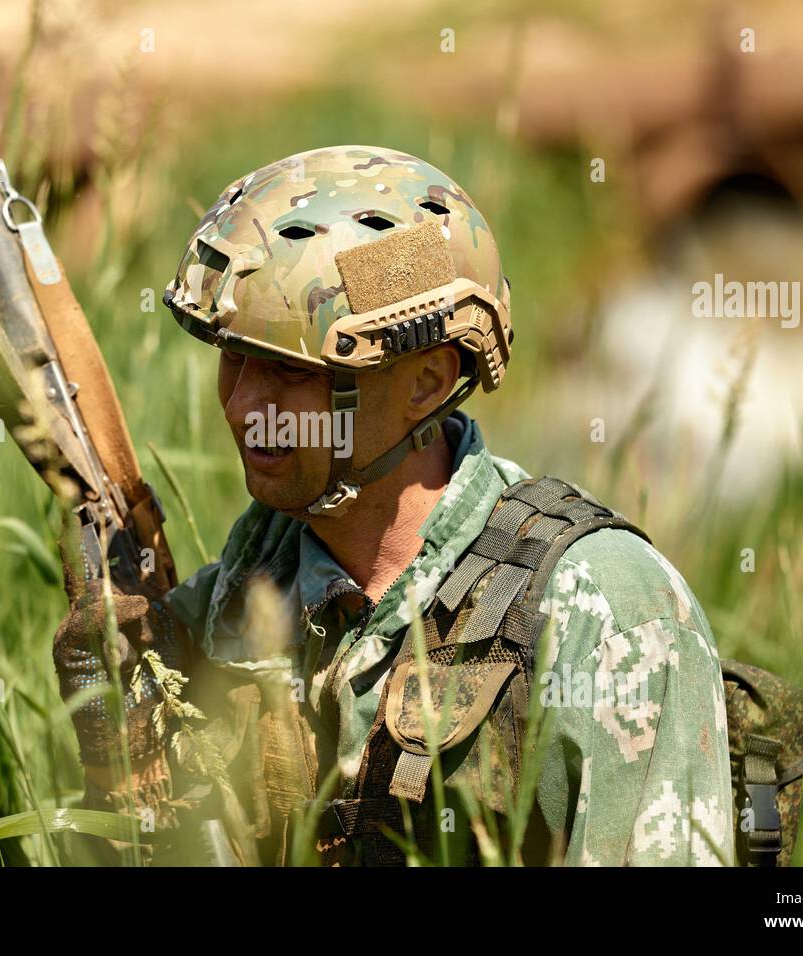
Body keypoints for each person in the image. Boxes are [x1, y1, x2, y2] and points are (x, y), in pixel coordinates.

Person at [53, 145, 735, 866]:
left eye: (289, 370)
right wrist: (116, 691)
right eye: (234, 358)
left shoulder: (601, 608)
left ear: (425, 383)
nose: (244, 405)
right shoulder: (250, 588)